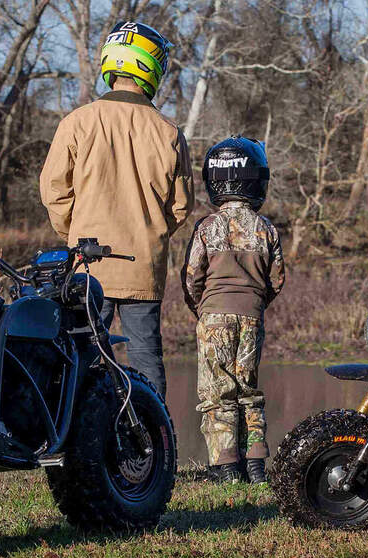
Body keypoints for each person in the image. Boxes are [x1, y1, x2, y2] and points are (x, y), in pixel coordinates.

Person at [40, 21, 192, 396]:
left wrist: (74, 233)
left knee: (82, 359)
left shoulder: (77, 122)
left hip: (88, 267)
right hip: (143, 268)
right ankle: (156, 430)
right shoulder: (168, 131)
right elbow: (180, 206)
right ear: (152, 67)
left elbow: (54, 192)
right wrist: (148, 234)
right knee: (147, 360)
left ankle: (84, 432)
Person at [181, 136, 285, 484]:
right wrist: (255, 303)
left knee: (218, 393)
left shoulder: (207, 227)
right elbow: (277, 279)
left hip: (213, 316)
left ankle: (226, 468)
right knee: (248, 390)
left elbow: (191, 277)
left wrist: (203, 309)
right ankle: (255, 464)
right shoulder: (266, 228)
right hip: (252, 317)